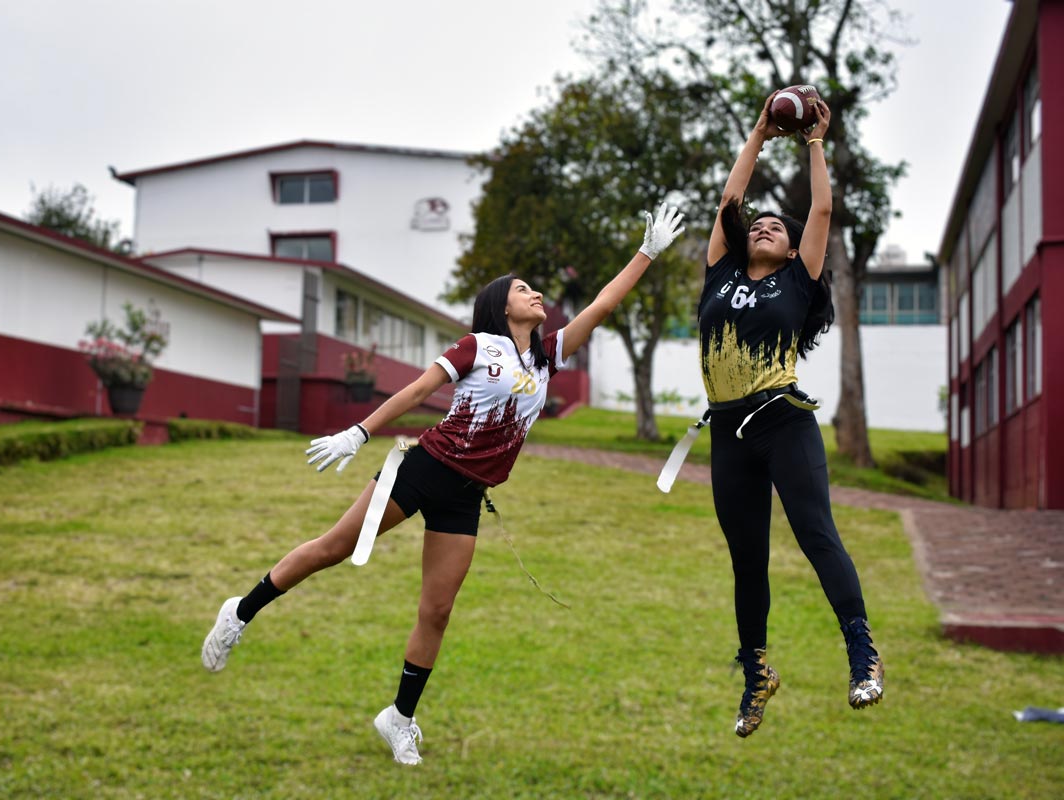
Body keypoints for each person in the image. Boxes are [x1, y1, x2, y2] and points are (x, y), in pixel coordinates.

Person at [201, 198, 686, 765]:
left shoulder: (549, 356)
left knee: (437, 611)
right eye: (523, 288)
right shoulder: (480, 346)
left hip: (466, 496)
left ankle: (399, 718)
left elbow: (602, 305)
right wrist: (358, 433)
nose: (536, 295)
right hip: (423, 469)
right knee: (333, 548)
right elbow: (414, 391)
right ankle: (239, 612)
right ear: (498, 306)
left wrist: (646, 253)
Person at [699, 93, 883, 738]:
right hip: (727, 432)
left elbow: (823, 208)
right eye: (761, 222)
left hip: (782, 422)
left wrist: (812, 140)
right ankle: (756, 676)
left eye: (779, 225)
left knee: (815, 534)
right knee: (746, 560)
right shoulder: (719, 272)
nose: (766, 225)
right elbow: (729, 199)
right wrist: (756, 130)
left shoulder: (798, 279)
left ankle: (861, 653)